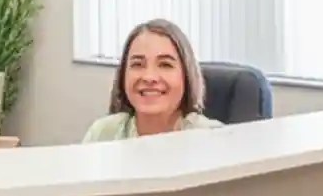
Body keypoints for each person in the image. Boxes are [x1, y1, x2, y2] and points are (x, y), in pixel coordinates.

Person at [83, 18, 223, 142]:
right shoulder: (102, 134)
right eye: (138, 64)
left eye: (165, 65)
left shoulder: (213, 138)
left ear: (186, 75)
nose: (149, 77)